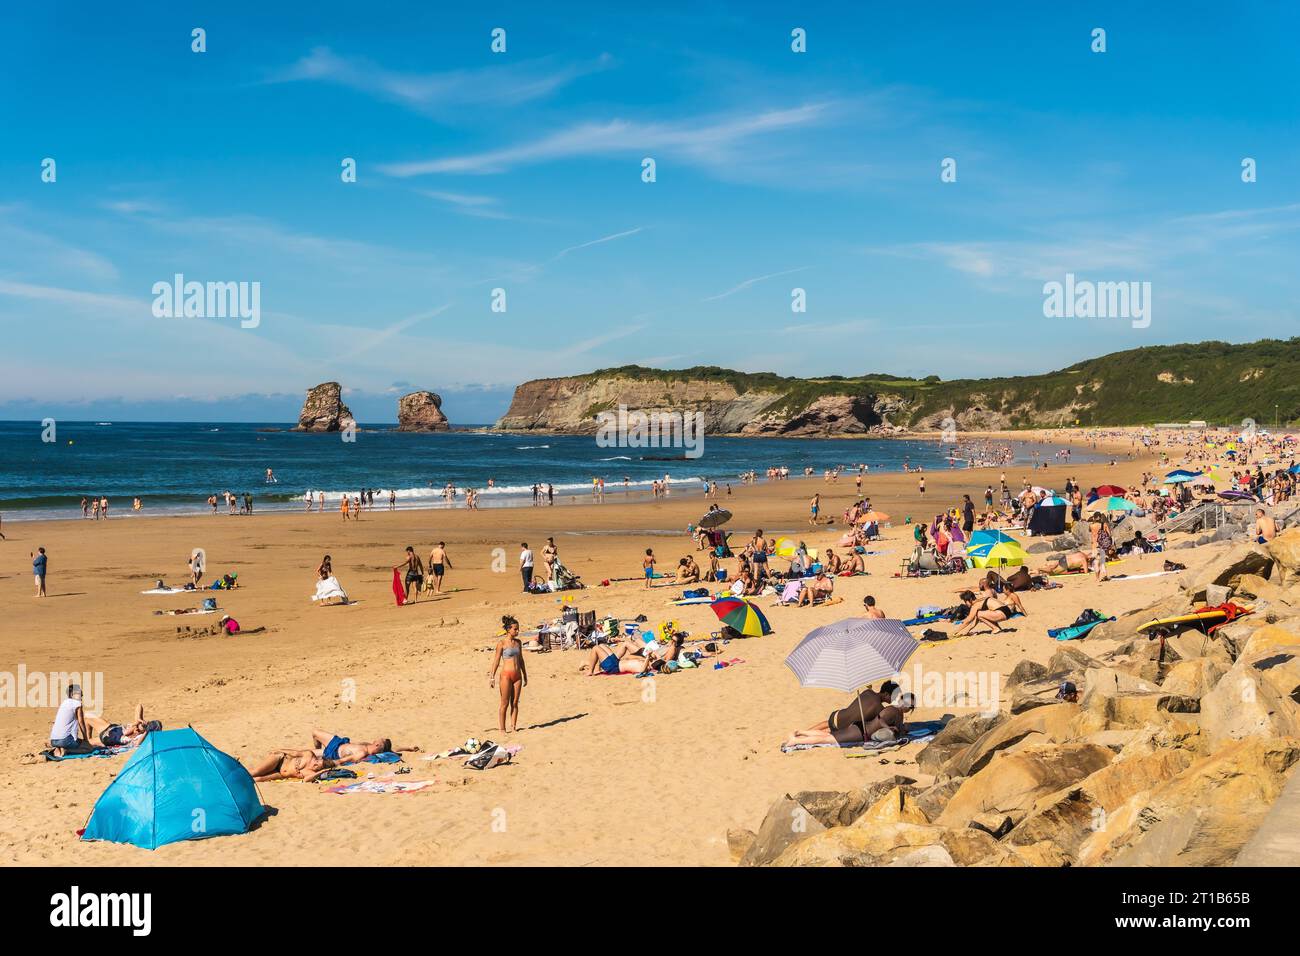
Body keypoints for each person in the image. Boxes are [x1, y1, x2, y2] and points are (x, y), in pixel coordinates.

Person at [783, 686, 914, 748]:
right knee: (828, 738)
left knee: (827, 730)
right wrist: (893, 728)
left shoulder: (868, 692)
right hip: (857, 730)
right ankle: (796, 740)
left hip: (839, 715)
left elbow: (876, 717)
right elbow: (881, 720)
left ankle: (800, 733)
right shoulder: (887, 710)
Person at [489, 616, 528, 733]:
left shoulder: (518, 643)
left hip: (517, 676)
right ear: (508, 629)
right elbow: (496, 661)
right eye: (515, 629)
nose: (517, 631)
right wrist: (492, 677)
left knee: (515, 703)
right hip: (506, 676)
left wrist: (525, 675)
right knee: (504, 703)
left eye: (518, 629)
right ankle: (502, 729)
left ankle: (513, 727)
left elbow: (521, 659)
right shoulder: (501, 644)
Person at [308, 730, 419, 763]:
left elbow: (348, 759)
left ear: (378, 744)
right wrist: (409, 748)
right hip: (339, 743)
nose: (377, 738)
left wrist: (335, 762)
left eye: (379, 739)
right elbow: (394, 749)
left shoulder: (364, 752)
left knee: (307, 754)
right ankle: (318, 752)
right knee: (315, 734)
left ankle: (318, 755)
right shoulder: (369, 745)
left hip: (334, 752)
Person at [85, 702, 163, 750]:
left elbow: (136, 744)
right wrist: (138, 719)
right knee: (87, 716)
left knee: (85, 743)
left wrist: (145, 732)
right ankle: (88, 737)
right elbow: (139, 705)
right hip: (110, 728)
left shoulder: (141, 737)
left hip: (108, 738)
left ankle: (88, 741)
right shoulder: (139, 724)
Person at [48, 684, 94, 756]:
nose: (82, 694)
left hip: (53, 740)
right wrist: (86, 739)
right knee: (89, 748)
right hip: (64, 740)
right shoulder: (77, 704)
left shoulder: (64, 703)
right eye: (80, 693)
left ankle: (58, 749)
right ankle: (67, 750)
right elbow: (81, 722)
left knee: (78, 741)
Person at [951, 589, 1016, 637]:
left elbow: (969, 620)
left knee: (979, 614)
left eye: (965, 601)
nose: (965, 603)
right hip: (1006, 611)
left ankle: (996, 628)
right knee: (981, 614)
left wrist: (956, 631)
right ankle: (997, 628)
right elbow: (976, 620)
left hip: (1001, 612)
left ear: (970, 599)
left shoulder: (975, 605)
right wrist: (967, 631)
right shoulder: (981, 600)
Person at [246, 749, 336, 783]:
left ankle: (237, 782)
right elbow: (294, 753)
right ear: (319, 759)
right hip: (280, 760)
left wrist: (320, 772)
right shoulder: (309, 754)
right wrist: (278, 750)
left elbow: (306, 780)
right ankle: (235, 774)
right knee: (255, 772)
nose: (315, 764)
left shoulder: (311, 772)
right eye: (316, 761)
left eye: (317, 767)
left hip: (280, 773)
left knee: (258, 779)